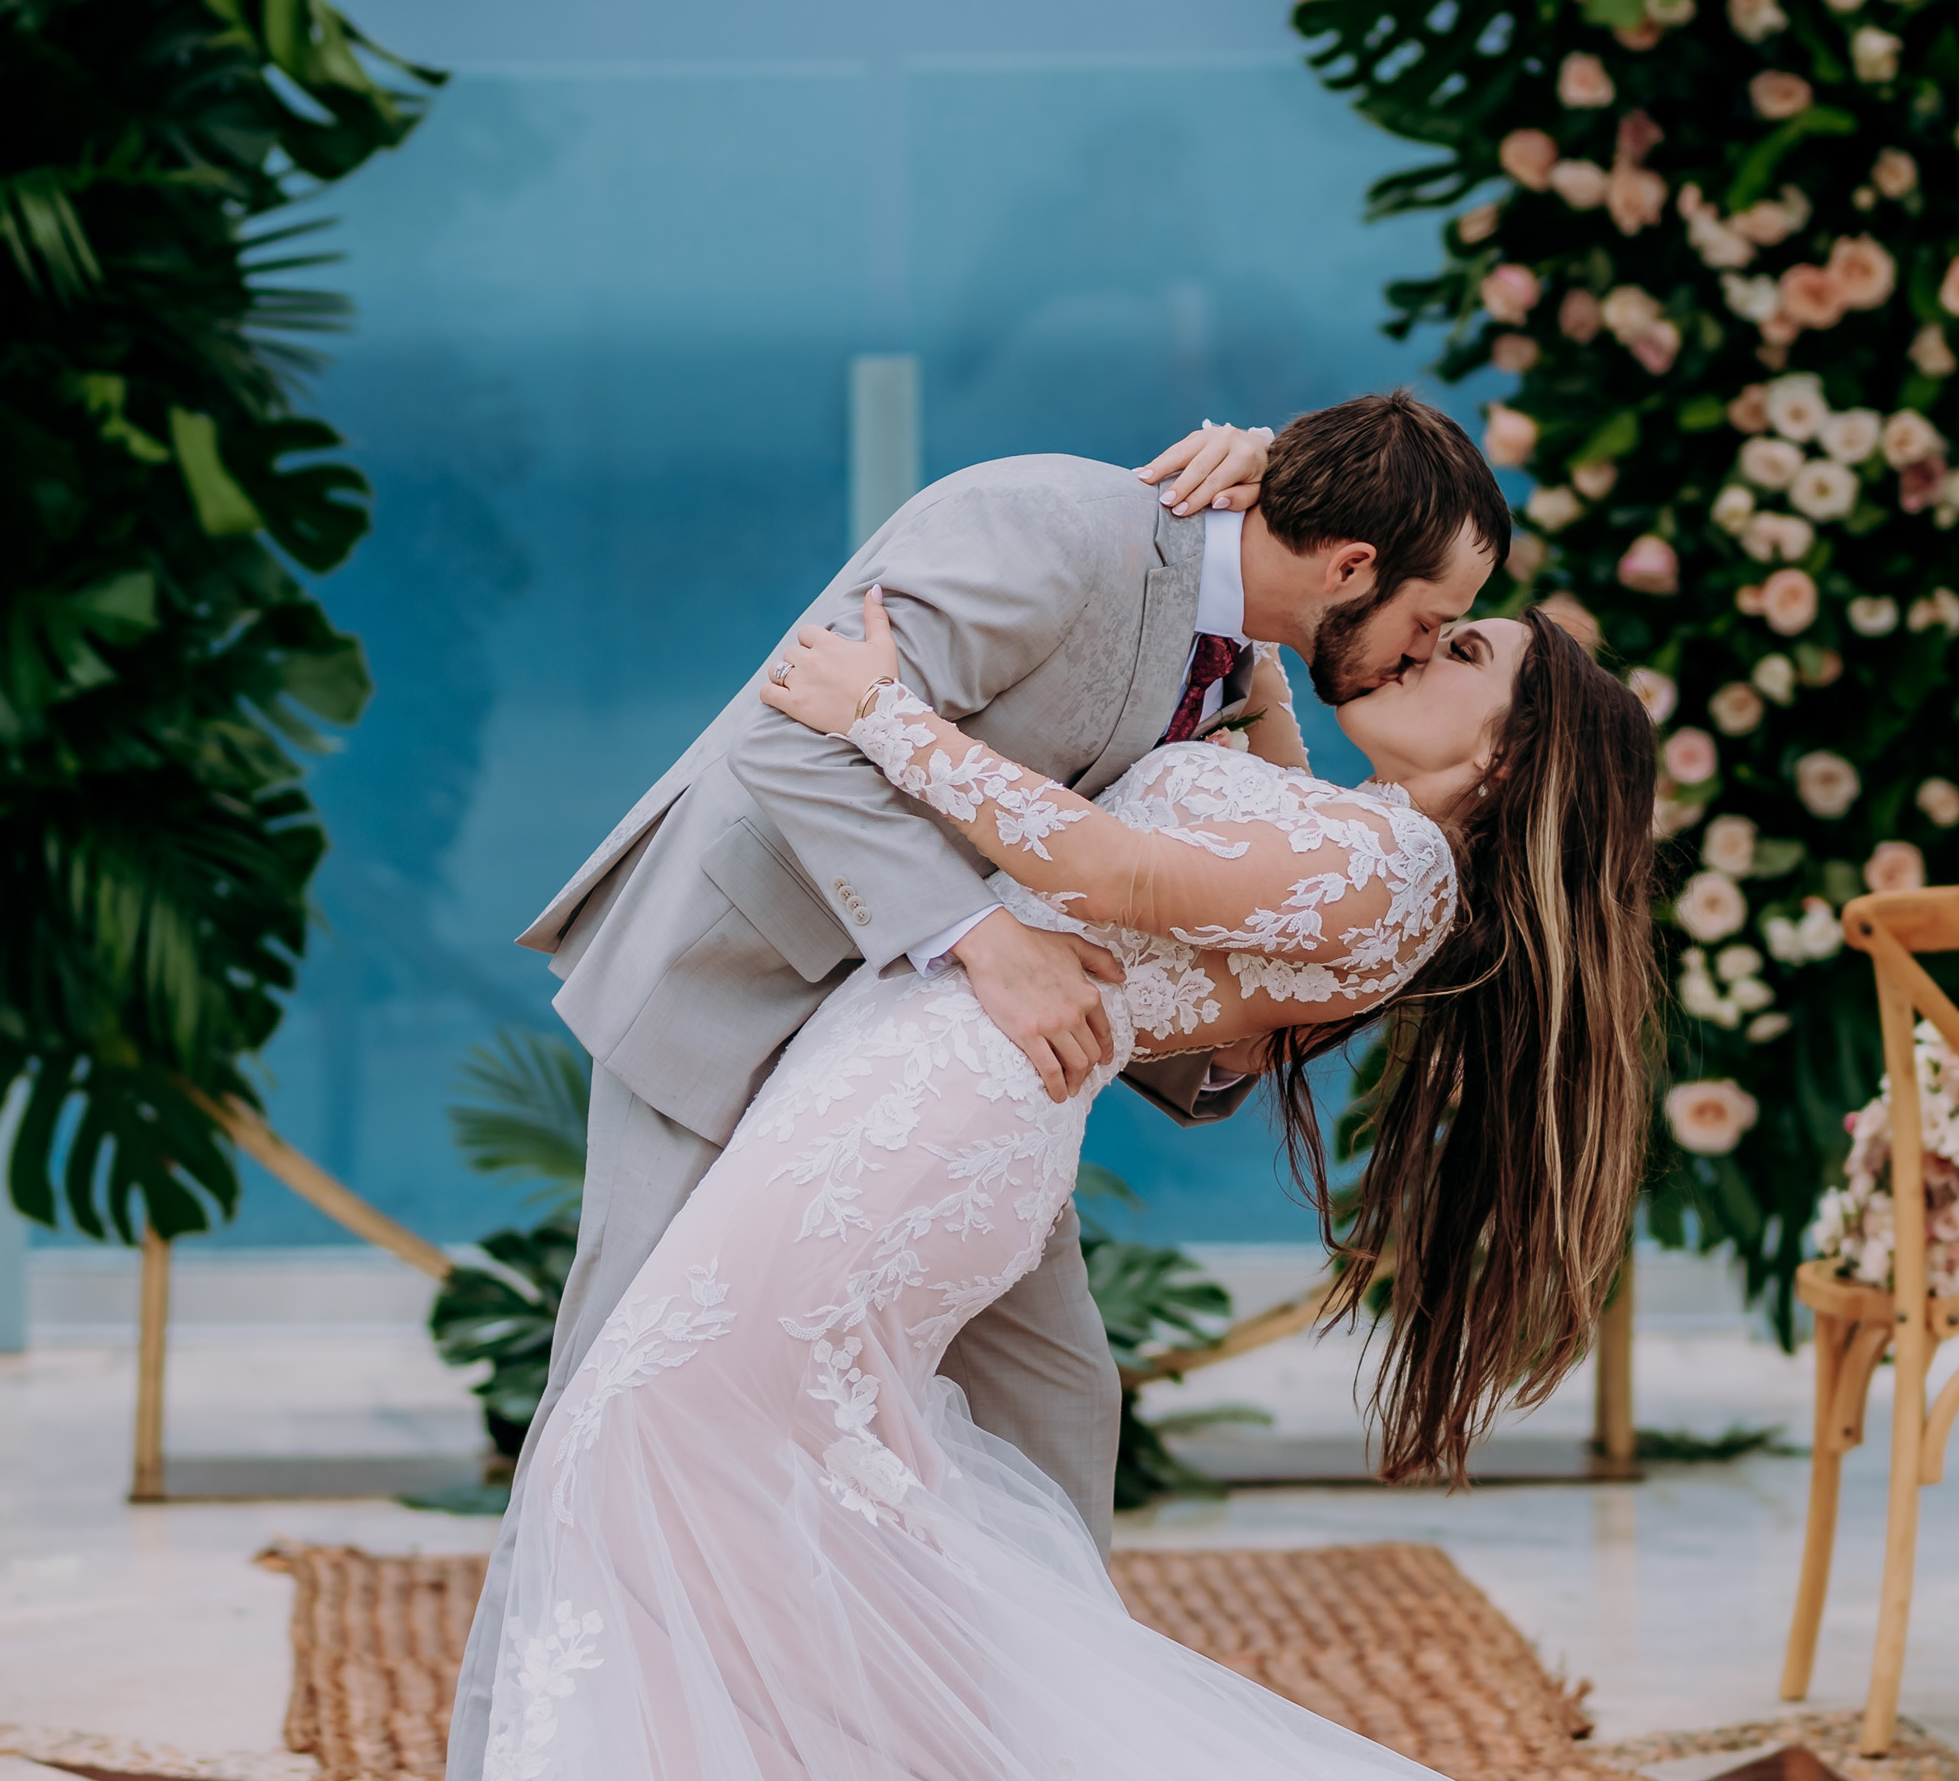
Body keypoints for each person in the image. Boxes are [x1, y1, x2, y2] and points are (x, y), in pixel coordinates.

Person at [452, 446, 1665, 1775]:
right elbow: (1265, 784)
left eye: (1455, 652)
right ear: (1351, 563)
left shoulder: (1385, 863)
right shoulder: (1357, 819)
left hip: (940, 1089)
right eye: (1431, 625)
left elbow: (1120, 867)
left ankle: (926, 1733)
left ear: (1501, 759)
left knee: (663, 1422)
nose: (1414, 655)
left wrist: (885, 716)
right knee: (776, 1442)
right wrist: (1287, 497)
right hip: (880, 1039)